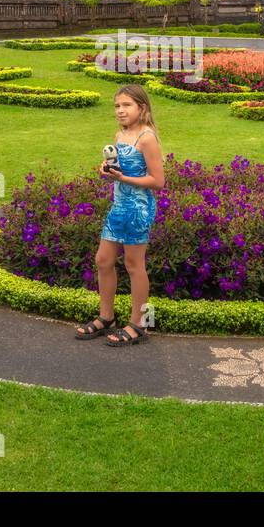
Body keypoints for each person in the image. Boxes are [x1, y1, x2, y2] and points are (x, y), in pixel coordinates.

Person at [75, 84, 165, 346]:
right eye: (117, 106)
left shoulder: (147, 138)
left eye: (127, 105)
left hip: (138, 209)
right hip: (119, 206)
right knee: (103, 260)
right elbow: (119, 169)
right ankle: (107, 317)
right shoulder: (120, 135)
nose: (120, 111)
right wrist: (107, 169)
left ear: (142, 108)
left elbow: (158, 181)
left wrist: (123, 177)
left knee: (134, 265)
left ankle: (139, 324)